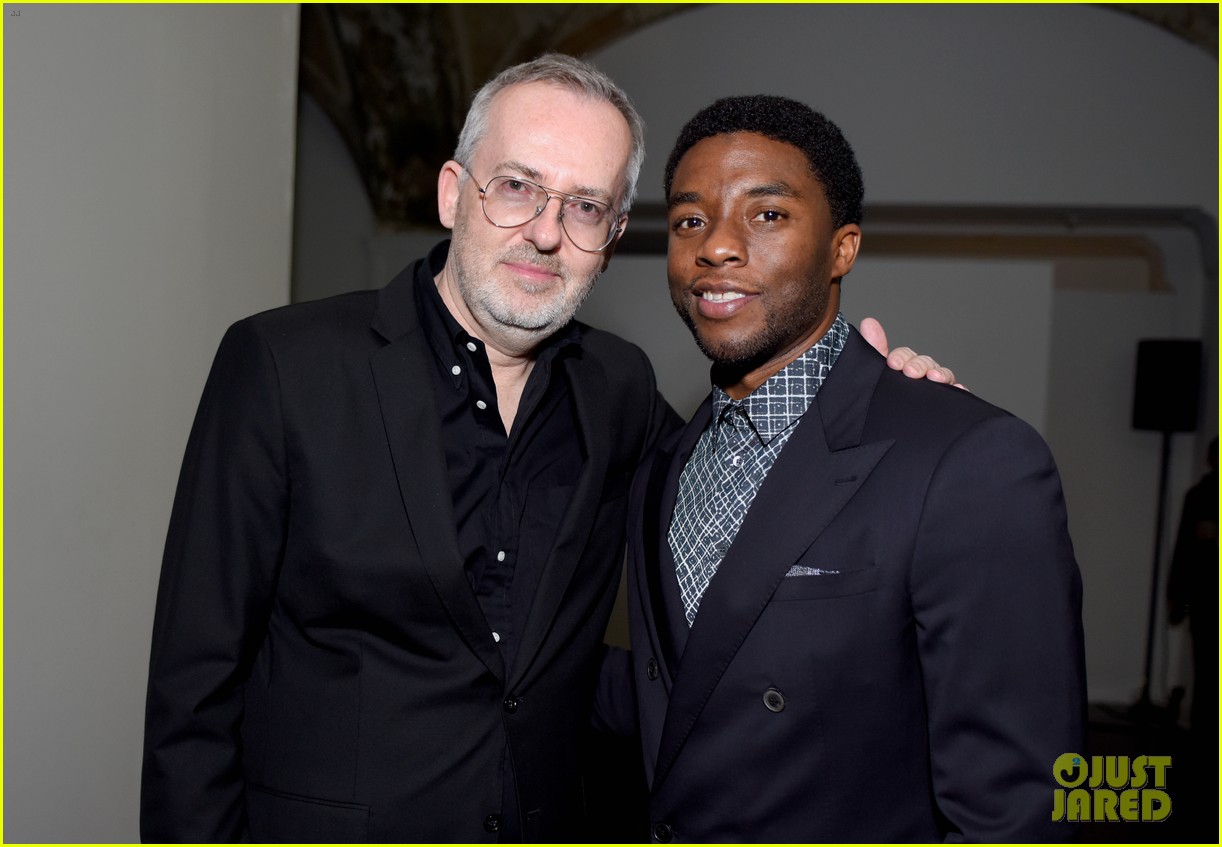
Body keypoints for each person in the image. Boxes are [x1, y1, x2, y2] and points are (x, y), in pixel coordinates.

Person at [141, 56, 950, 842]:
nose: (545, 233)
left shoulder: (618, 388)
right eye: (518, 187)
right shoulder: (287, 366)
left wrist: (872, 397)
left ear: (613, 233)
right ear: (454, 194)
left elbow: (751, 495)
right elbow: (194, 688)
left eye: (586, 206)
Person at [624, 95, 1087, 842]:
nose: (716, 246)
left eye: (767, 214)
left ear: (842, 248)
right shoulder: (664, 465)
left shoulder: (971, 460)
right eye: (688, 220)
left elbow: (1021, 806)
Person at [1167, 437, 1218, 740]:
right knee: (1206, 668)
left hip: (1205, 595)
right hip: (1205, 597)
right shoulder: (1198, 495)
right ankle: (1204, 732)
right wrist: (1178, 598)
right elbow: (1184, 549)